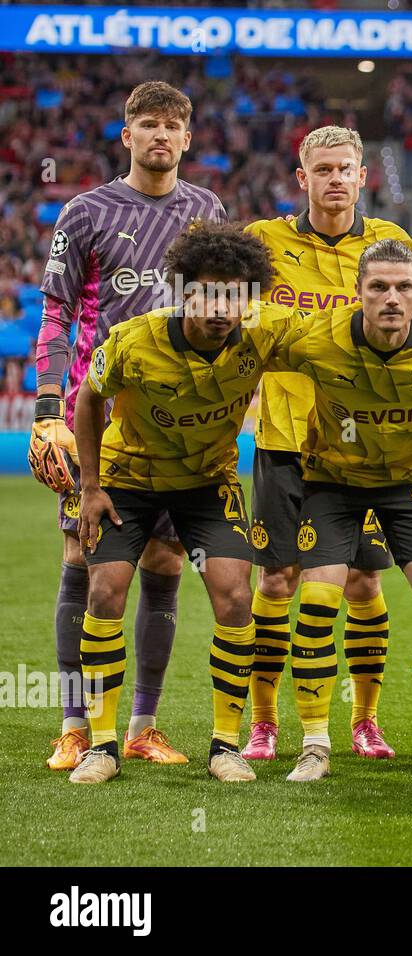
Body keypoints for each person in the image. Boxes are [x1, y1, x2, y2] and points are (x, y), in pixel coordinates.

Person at [31, 80, 228, 771]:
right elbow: (55, 314)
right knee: (85, 563)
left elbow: (224, 308)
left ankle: (142, 723)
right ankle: (75, 724)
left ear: (189, 137)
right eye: (148, 124)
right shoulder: (85, 211)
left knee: (166, 563)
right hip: (99, 421)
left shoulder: (207, 210)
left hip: (178, 424)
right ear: (127, 135)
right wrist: (48, 406)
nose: (161, 136)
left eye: (173, 126)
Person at [240, 125, 412, 763]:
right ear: (301, 178)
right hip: (284, 440)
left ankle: (365, 721)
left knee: (363, 583)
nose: (335, 179)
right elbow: (228, 319)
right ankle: (264, 723)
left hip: (367, 452)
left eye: (346, 169)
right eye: (322, 169)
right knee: (277, 581)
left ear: (365, 177)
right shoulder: (263, 242)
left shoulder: (390, 249)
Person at [272, 239, 412, 782]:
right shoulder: (316, 337)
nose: (391, 298)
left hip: (409, 483)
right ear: (357, 294)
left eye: (404, 287)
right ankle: (314, 743)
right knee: (319, 601)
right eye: (379, 287)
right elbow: (246, 341)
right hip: (332, 483)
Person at [70, 222, 289, 784]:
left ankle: (225, 745)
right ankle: (102, 746)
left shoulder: (263, 336)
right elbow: (90, 401)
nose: (222, 307)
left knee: (237, 596)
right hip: (129, 480)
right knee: (104, 590)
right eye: (209, 293)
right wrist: (90, 487)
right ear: (184, 290)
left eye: (235, 296)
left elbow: (339, 329)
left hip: (206, 485)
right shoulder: (133, 340)